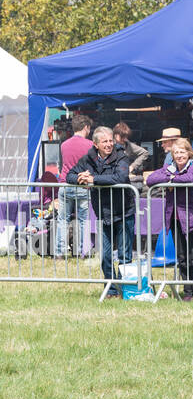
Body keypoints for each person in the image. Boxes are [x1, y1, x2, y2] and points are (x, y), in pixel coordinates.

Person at [64, 126, 133, 297]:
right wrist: (81, 178)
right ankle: (111, 288)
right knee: (105, 256)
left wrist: (93, 179)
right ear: (96, 144)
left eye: (111, 141)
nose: (109, 144)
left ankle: (125, 289)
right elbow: (69, 176)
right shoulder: (89, 158)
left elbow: (120, 177)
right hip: (103, 213)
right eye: (105, 142)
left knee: (125, 255)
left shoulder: (121, 156)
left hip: (124, 211)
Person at [145, 136, 193, 301]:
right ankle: (188, 293)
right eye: (176, 153)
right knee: (182, 257)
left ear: (189, 153)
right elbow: (151, 180)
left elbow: (191, 178)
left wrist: (172, 179)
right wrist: (170, 176)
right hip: (175, 218)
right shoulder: (169, 167)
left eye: (182, 152)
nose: (179, 155)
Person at [55, 114, 94, 260]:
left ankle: (59, 252)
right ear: (86, 127)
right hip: (83, 186)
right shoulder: (90, 145)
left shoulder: (64, 144)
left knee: (62, 219)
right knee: (84, 220)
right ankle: (81, 251)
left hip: (65, 184)